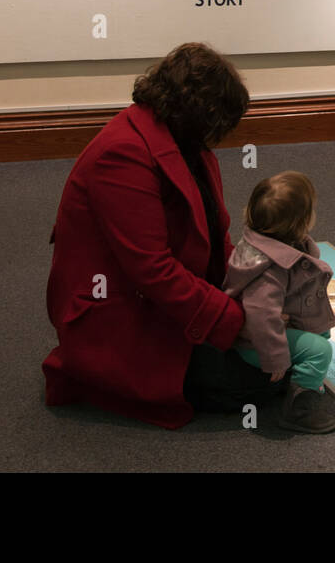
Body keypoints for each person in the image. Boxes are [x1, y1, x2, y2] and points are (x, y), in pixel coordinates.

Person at [42, 42, 279, 429]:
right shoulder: (121, 154)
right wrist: (234, 320)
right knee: (258, 383)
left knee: (273, 358)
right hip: (118, 318)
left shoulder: (181, 139)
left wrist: (251, 291)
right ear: (200, 113)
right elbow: (151, 269)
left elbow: (215, 231)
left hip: (156, 302)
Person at [224, 172, 335, 434]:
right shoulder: (270, 269)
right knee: (319, 350)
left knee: (321, 331)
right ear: (301, 221)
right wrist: (275, 358)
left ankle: (297, 378)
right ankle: (297, 411)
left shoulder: (276, 243)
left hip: (275, 329)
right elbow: (261, 315)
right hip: (256, 343)